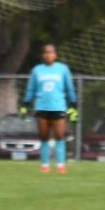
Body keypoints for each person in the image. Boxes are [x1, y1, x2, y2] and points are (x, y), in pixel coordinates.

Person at [21, 43, 77, 173]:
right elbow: (31, 89)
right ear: (42, 55)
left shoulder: (62, 69)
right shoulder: (37, 70)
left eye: (51, 52)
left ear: (55, 55)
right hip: (42, 107)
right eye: (46, 52)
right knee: (44, 136)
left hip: (58, 107)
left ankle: (60, 165)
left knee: (59, 136)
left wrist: (73, 104)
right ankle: (45, 165)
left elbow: (69, 88)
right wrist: (25, 104)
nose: (48, 55)